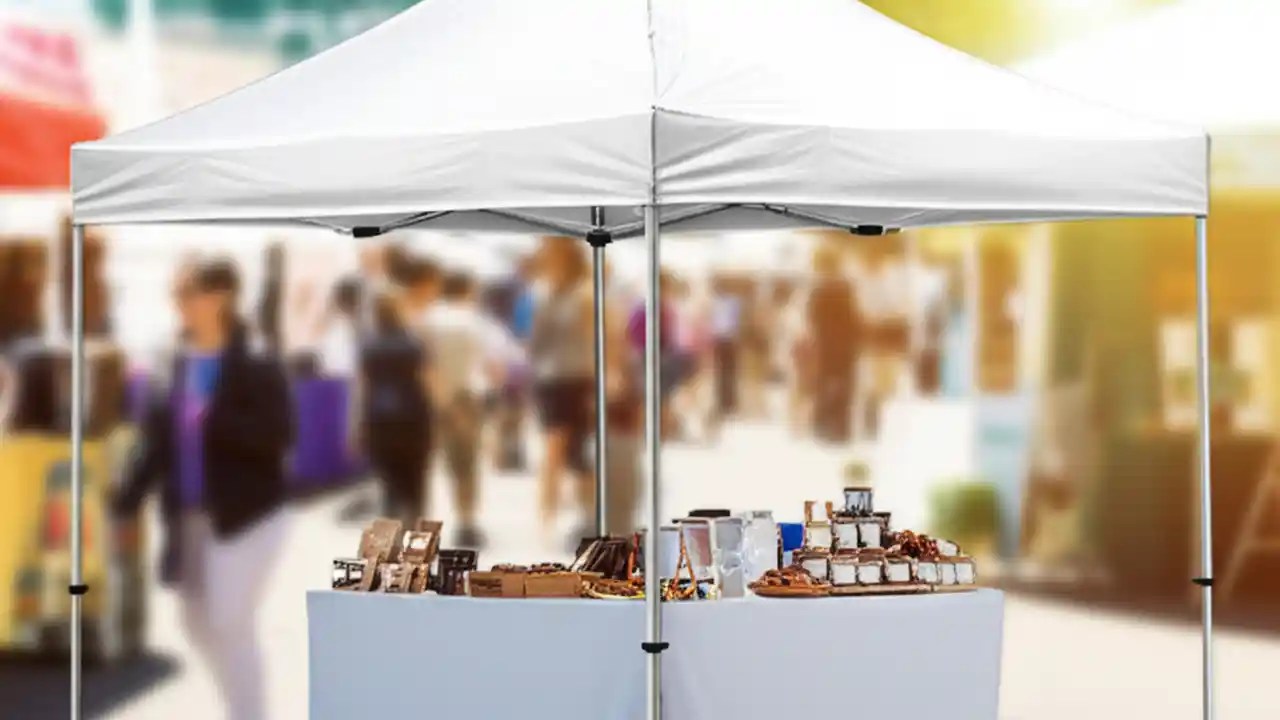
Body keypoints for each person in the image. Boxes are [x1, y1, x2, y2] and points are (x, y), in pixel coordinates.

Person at [113, 258, 293, 720]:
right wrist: (126, 501)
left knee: (229, 620)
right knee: (193, 623)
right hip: (188, 515)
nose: (178, 304)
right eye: (175, 294)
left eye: (187, 292)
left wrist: (214, 419)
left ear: (222, 297)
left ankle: (248, 715)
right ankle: (241, 706)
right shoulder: (172, 364)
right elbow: (156, 443)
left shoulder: (256, 364)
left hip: (249, 515)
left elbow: (280, 434)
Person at [420, 271, 502, 548]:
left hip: (438, 399)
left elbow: (425, 363)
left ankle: (423, 525)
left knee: (444, 462)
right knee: (468, 464)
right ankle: (466, 523)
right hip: (468, 398)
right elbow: (492, 363)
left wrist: (439, 397)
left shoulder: (429, 318)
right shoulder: (475, 321)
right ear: (467, 290)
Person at [529, 236, 595, 543]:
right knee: (555, 450)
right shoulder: (546, 294)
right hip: (552, 382)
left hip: (579, 381)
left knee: (577, 455)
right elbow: (536, 341)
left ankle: (587, 515)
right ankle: (547, 520)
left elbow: (596, 339)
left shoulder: (584, 295)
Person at [359, 289, 432, 525]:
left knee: (390, 484)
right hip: (414, 417)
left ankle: (391, 532)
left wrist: (356, 426)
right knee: (416, 483)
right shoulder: (414, 344)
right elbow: (427, 381)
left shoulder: (368, 346)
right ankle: (415, 535)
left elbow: (362, 388)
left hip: (379, 419)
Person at [807, 246, 862, 443]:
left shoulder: (819, 290)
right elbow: (854, 318)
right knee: (844, 385)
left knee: (824, 384)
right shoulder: (845, 288)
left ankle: (823, 425)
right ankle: (841, 428)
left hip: (825, 345)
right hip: (845, 345)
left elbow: (812, 319)